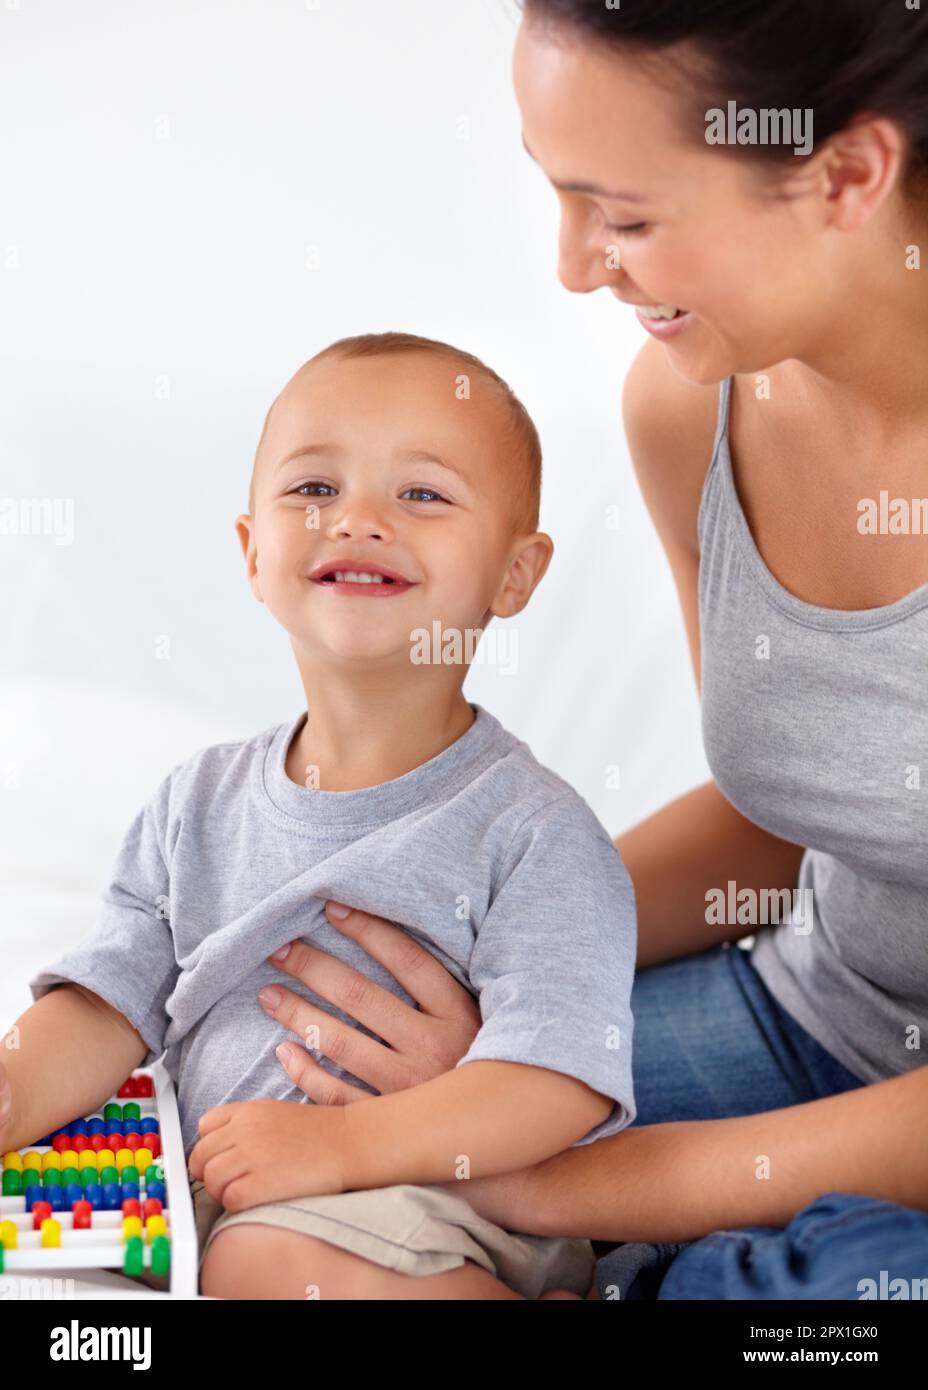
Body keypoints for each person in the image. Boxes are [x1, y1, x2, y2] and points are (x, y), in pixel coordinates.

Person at [256, 0, 928, 1299]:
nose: (575, 266)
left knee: (832, 1289)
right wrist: (502, 959)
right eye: (556, 197)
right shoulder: (694, 408)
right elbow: (781, 806)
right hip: (804, 1020)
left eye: (622, 214)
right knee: (300, 1145)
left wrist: (552, 1180)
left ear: (848, 174)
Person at [2, 331, 640, 1300]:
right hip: (209, 1189)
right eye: (313, 489)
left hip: (419, 1194)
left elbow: (554, 1079)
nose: (360, 519)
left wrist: (342, 1143)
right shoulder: (195, 800)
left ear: (517, 573)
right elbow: (104, 1005)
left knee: (267, 1262)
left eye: (421, 493)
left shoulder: (535, 832)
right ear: (253, 552)